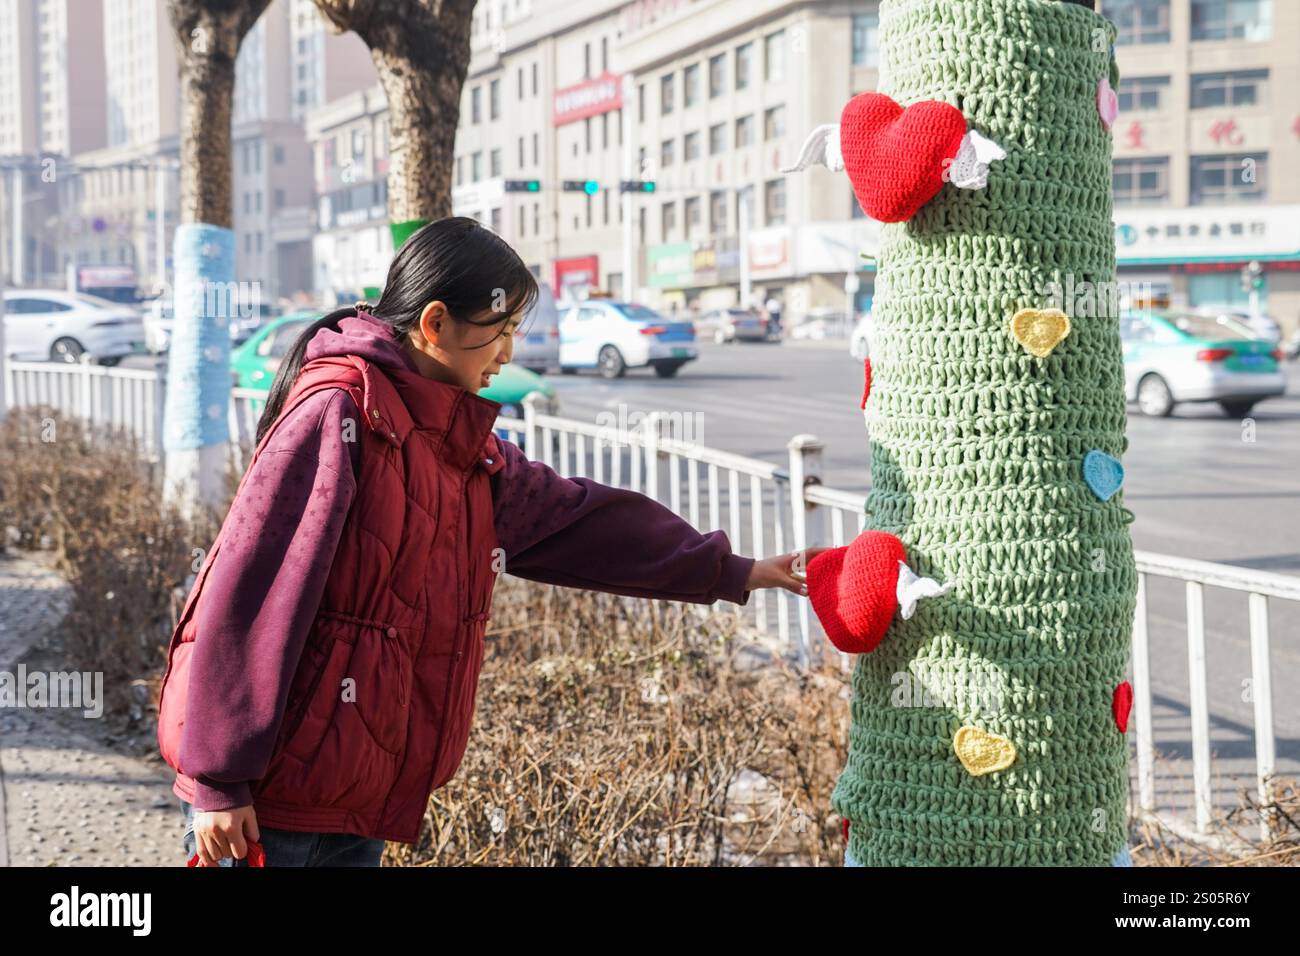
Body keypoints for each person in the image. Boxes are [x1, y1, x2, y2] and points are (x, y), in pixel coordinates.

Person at [157, 216, 822, 867]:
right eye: (499, 331)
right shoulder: (340, 412)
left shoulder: (459, 445)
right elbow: (251, 588)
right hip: (273, 799)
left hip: (353, 791)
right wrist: (219, 778)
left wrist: (735, 570)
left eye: (515, 332)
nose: (508, 353)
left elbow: (578, 522)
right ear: (436, 323)